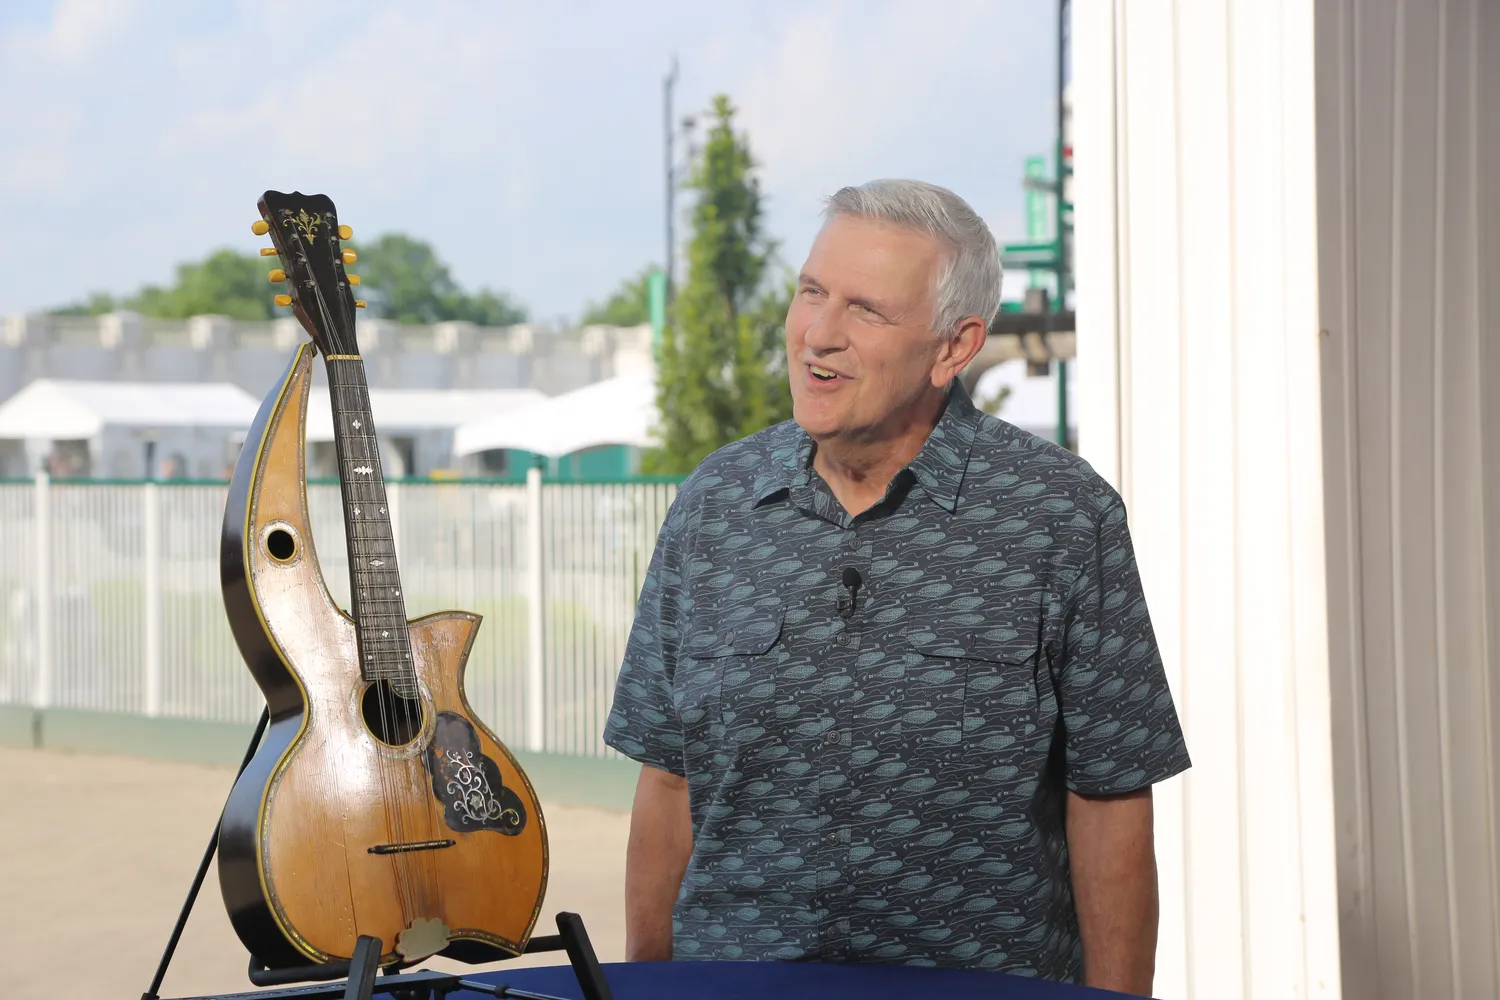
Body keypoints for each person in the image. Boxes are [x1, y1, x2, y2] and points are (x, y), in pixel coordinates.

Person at [602, 178, 1190, 995]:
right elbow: (670, 779)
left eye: (866, 311)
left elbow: (1111, 798)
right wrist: (643, 988)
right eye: (812, 292)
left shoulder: (1062, 517)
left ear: (954, 347)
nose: (819, 334)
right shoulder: (715, 505)